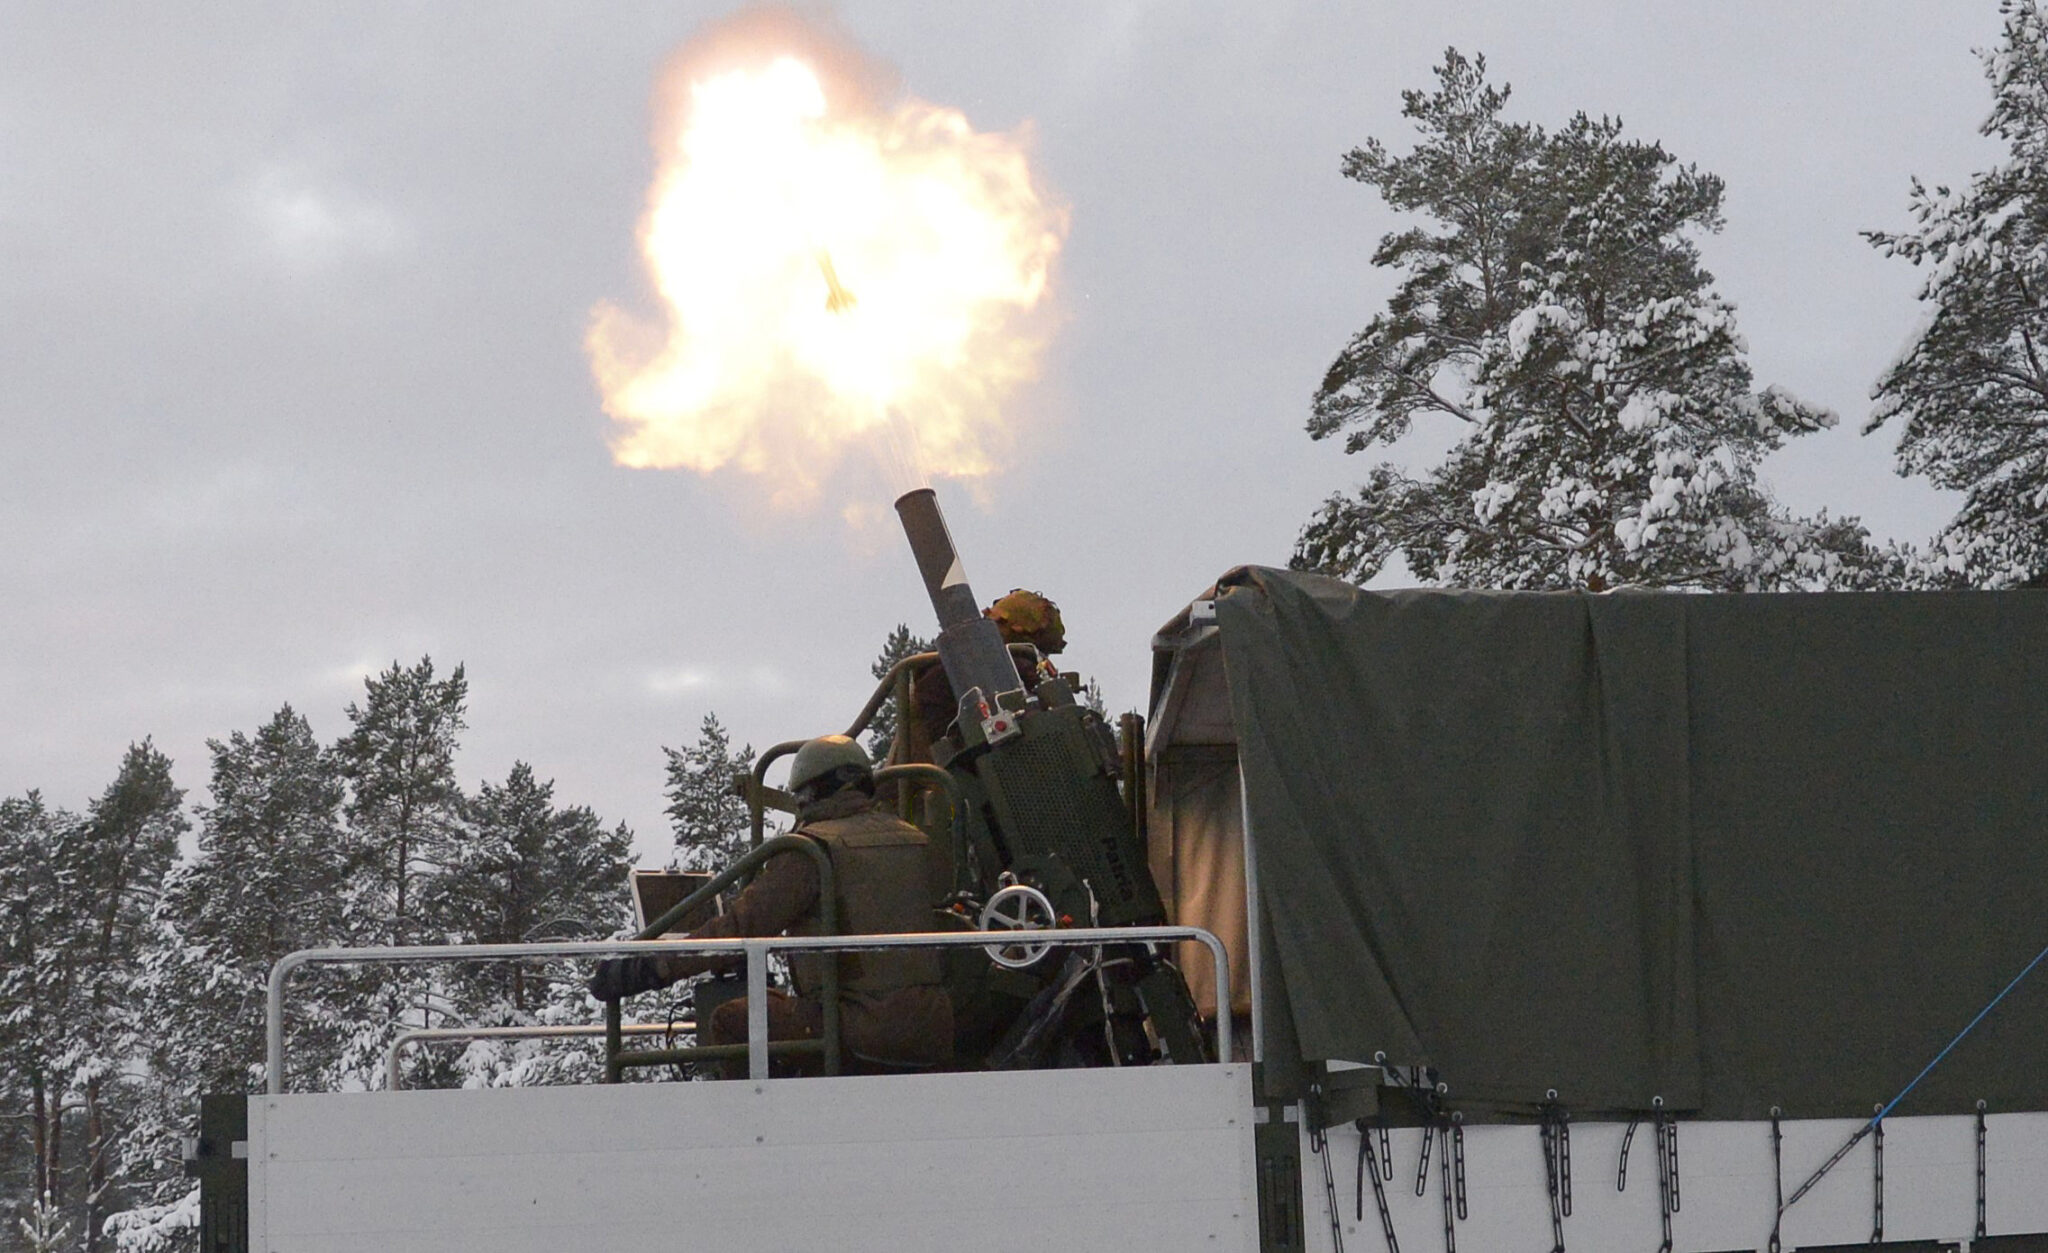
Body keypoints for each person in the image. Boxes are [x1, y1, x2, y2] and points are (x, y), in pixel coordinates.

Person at [588, 735, 953, 1075]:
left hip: (858, 1029)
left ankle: (763, 1130)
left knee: (733, 1020)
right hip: (934, 1028)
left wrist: (650, 968)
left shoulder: (810, 851)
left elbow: (741, 927)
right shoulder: (916, 840)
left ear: (810, 794)